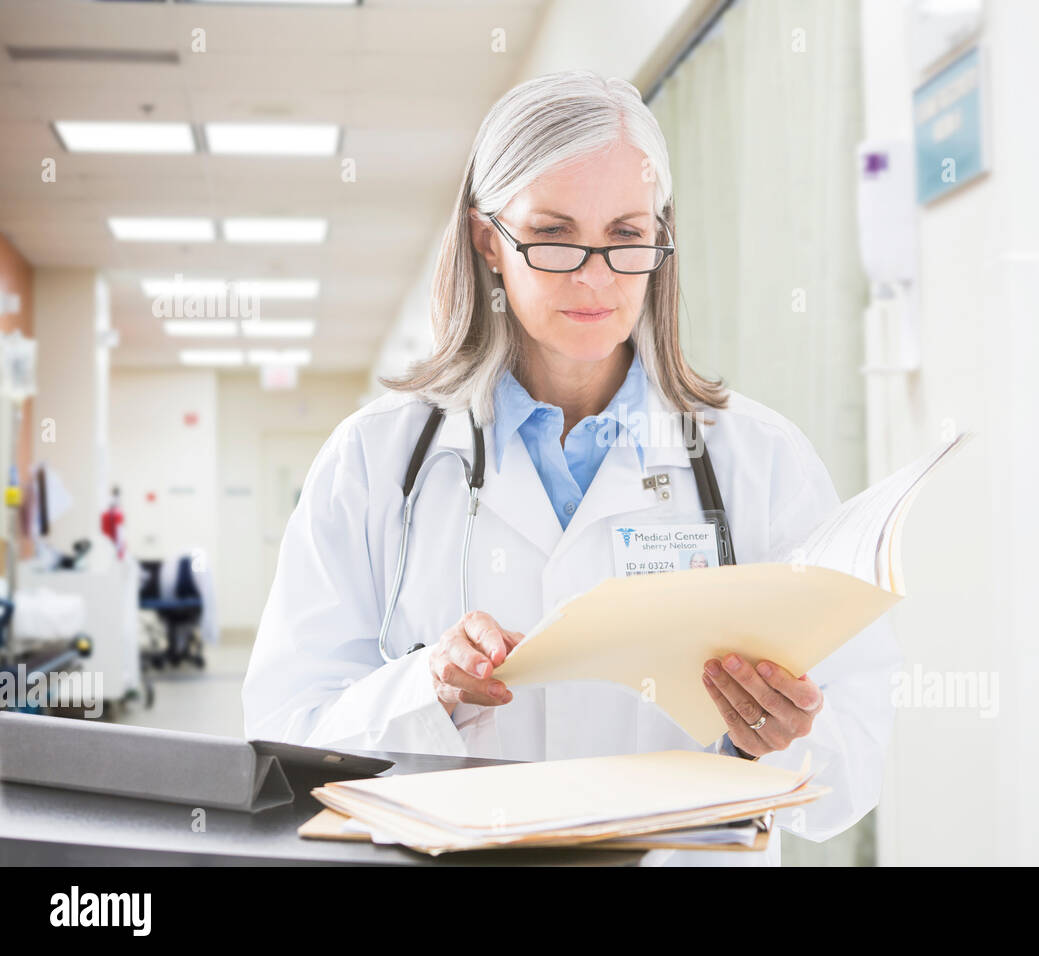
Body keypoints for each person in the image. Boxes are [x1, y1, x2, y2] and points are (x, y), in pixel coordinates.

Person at [243, 70, 902, 866]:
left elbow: (855, 751)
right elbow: (282, 746)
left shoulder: (758, 461)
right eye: (554, 234)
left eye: (626, 236)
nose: (595, 276)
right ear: (489, 238)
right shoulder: (374, 461)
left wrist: (778, 737)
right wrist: (428, 693)